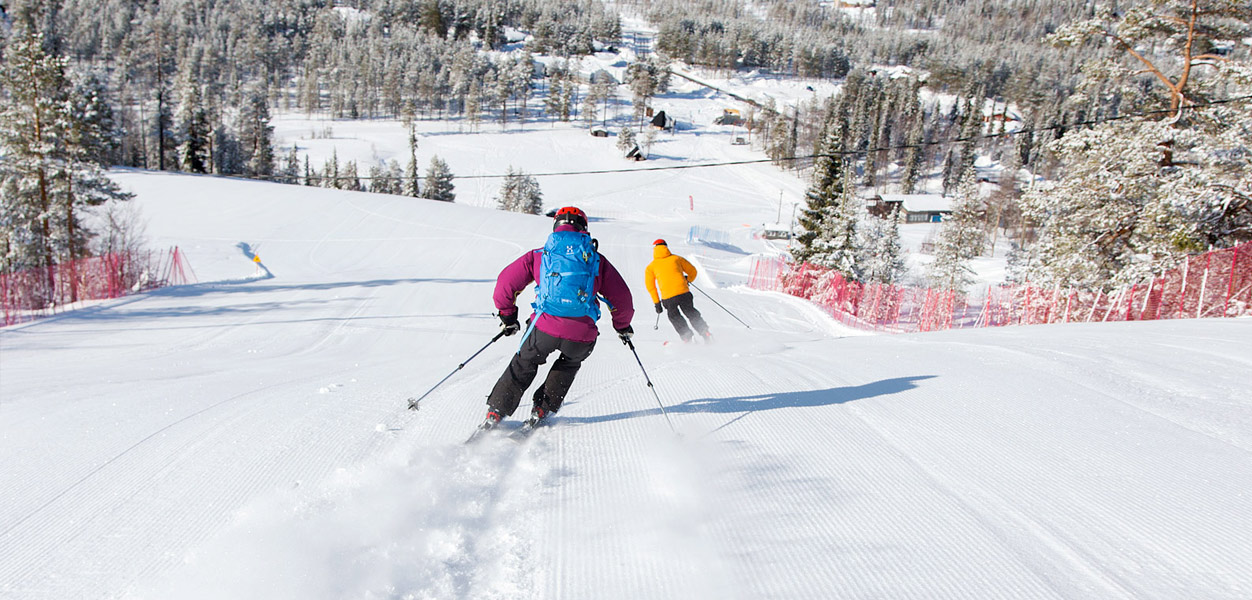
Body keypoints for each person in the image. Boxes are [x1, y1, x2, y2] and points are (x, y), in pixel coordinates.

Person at [481, 206, 635, 431]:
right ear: (584, 228)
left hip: (543, 329)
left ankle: (496, 411)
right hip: (581, 335)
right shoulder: (596, 260)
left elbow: (506, 283)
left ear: (556, 226)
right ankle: (542, 409)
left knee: (525, 362)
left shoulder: (539, 255)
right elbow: (622, 298)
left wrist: (508, 316)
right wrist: (622, 326)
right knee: (569, 363)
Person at [644, 239, 711, 343]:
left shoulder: (651, 267)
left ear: (654, 249)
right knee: (690, 312)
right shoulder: (677, 259)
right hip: (684, 293)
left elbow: (651, 287)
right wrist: (687, 280)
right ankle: (704, 331)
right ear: (666, 247)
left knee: (674, 316)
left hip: (668, 298)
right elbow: (693, 271)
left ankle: (687, 337)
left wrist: (657, 303)